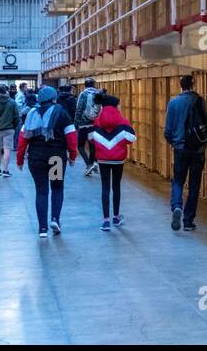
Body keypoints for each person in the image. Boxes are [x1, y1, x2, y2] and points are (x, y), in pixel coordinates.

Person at [16, 85, 78, 238]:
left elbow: (23, 139)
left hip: (36, 159)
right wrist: (72, 155)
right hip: (55, 158)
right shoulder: (62, 114)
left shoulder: (31, 114)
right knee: (57, 188)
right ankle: (55, 219)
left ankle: (42, 228)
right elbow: (71, 138)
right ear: (53, 98)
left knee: (41, 191)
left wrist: (20, 159)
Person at [163, 74, 207, 232]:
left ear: (180, 85)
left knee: (178, 181)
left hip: (180, 148)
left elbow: (167, 130)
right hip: (197, 150)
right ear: (193, 84)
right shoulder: (199, 100)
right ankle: (188, 221)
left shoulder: (173, 103)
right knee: (194, 185)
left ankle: (177, 206)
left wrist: (175, 142)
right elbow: (206, 125)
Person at [87, 93, 134, 231]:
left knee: (105, 188)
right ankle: (116, 217)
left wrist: (104, 144)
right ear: (115, 105)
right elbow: (131, 138)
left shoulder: (97, 122)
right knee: (116, 187)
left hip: (103, 159)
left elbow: (91, 138)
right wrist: (119, 142)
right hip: (118, 159)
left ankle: (106, 221)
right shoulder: (122, 121)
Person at [0, 84, 19, 178]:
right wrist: (14, 127)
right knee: (7, 149)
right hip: (9, 129)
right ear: (6, 91)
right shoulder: (12, 102)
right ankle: (6, 170)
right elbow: (16, 117)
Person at [74, 78, 102, 178]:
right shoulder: (98, 94)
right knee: (92, 146)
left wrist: (76, 124)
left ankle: (88, 164)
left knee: (80, 146)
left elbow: (79, 109)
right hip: (94, 125)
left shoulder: (83, 94)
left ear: (85, 85)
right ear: (94, 84)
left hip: (83, 124)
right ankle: (92, 163)